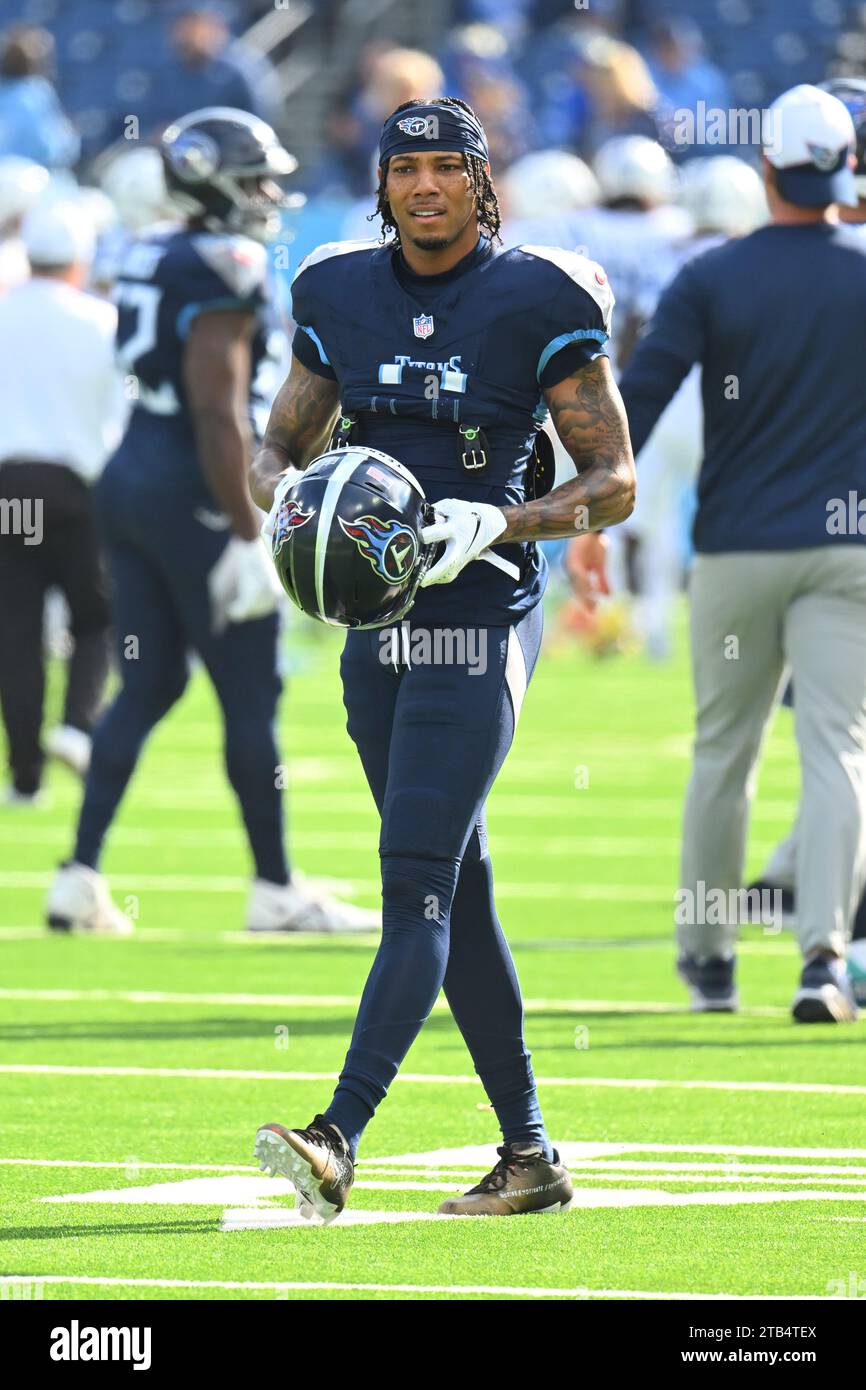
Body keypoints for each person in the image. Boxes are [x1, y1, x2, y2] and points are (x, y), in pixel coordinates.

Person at [250, 96, 635, 1221]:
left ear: (480, 182)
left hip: (477, 615)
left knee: (413, 880)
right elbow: (276, 441)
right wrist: (286, 499)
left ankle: (337, 1134)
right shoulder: (332, 288)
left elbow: (610, 479)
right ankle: (529, 1155)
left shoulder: (538, 296)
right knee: (454, 888)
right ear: (382, 185)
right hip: (374, 627)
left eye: (444, 168)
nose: (424, 186)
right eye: (404, 167)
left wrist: (498, 521)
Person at [44, 108, 376, 937]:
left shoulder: (150, 249)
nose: (269, 193)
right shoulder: (225, 262)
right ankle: (274, 887)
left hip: (130, 475)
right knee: (250, 692)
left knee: (150, 681)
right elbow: (219, 410)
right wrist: (239, 530)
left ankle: (77, 876)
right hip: (194, 483)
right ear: (208, 176)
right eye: (255, 177)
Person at [609, 84, 866, 1023]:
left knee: (725, 753)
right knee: (837, 748)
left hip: (735, 547)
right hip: (852, 545)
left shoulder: (713, 276)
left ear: (766, 171)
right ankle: (825, 959)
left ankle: (710, 959)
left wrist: (587, 516)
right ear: (848, 166)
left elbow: (633, 402)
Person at [0, 200, 123, 804]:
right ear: (79, 259)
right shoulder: (100, 321)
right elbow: (117, 421)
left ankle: (24, 777)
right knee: (94, 619)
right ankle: (77, 725)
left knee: (16, 629)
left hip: (10, 491)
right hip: (79, 488)